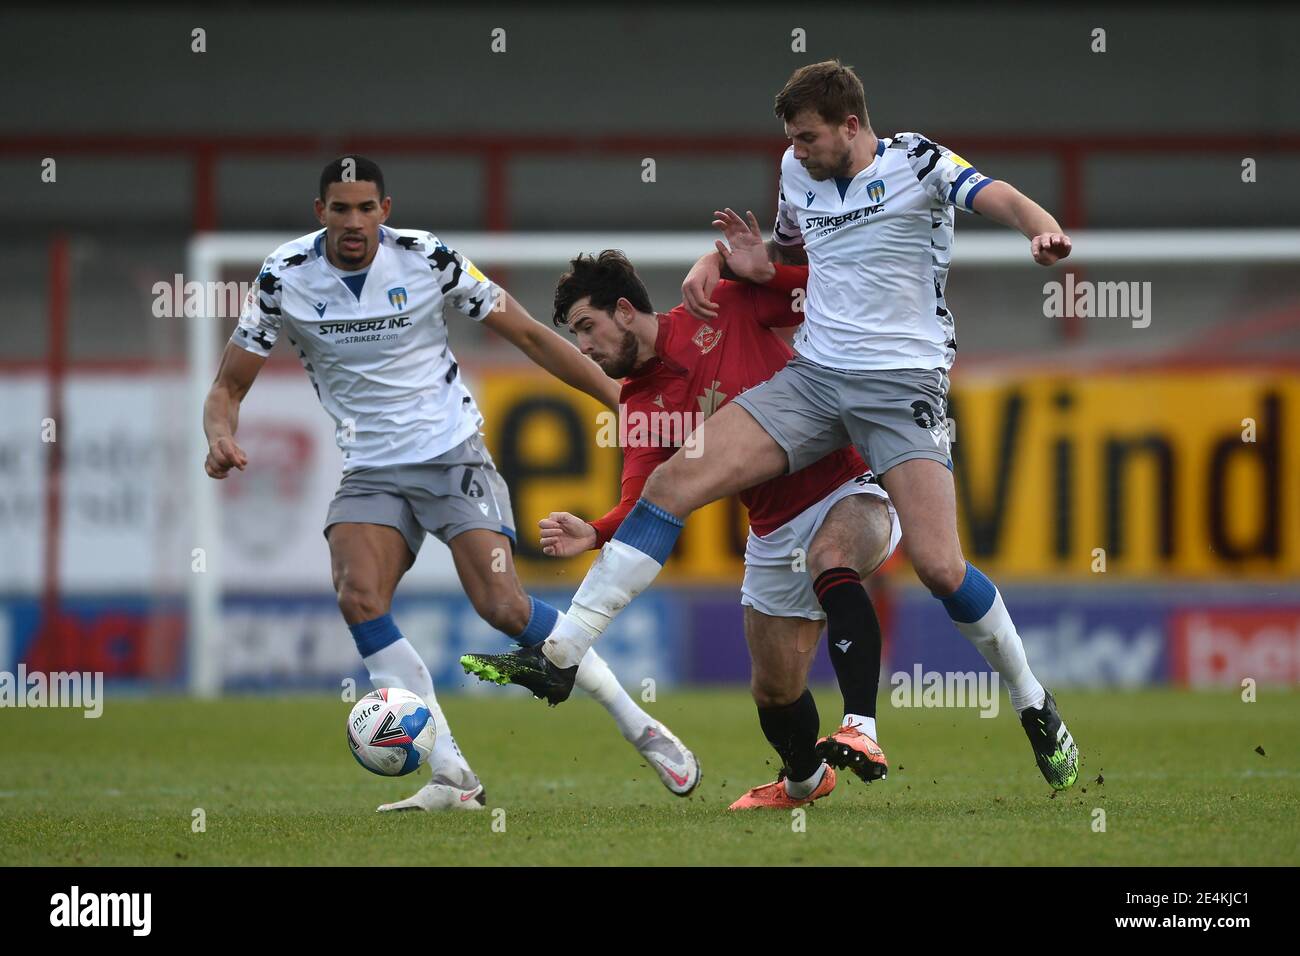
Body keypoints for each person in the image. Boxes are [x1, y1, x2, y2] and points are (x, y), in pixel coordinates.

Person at [457, 59, 1080, 793]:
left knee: (942, 568)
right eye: (793, 138)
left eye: (810, 136)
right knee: (674, 478)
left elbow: (994, 193)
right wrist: (721, 259)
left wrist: (1039, 227)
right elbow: (781, 254)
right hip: (815, 379)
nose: (799, 150)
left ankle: (1033, 702)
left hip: (902, 384)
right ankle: (561, 656)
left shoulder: (916, 159)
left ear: (851, 125)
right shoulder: (797, 169)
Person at [202, 156, 700, 812]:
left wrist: (619, 399)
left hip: (452, 456)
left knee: (502, 606)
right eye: (340, 209)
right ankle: (453, 776)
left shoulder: (427, 258)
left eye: (365, 208)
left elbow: (527, 333)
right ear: (319, 211)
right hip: (371, 470)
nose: (353, 222)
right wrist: (219, 433)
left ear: (386, 208)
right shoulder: (283, 276)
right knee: (358, 595)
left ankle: (642, 727)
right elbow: (229, 384)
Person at [465, 240, 899, 809]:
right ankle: (804, 781)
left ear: (625, 310)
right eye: (575, 336)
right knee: (773, 690)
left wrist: (743, 264)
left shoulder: (720, 305)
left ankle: (862, 727)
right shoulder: (641, 406)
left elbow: (821, 293)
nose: (585, 347)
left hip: (845, 487)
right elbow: (646, 504)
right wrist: (596, 531)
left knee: (834, 558)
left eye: (587, 327)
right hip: (771, 530)